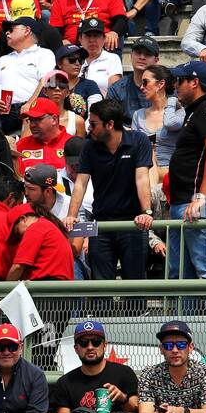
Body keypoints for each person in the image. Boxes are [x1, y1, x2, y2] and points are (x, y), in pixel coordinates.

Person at [63, 99, 155, 284]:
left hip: (133, 223)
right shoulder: (89, 146)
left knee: (135, 282)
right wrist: (71, 215)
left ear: (110, 124)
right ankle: (101, 314)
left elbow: (142, 178)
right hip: (102, 224)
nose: (89, 128)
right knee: (101, 284)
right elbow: (81, 183)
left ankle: (138, 314)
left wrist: (146, 212)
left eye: (93, 124)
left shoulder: (138, 141)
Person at [165, 61, 206, 314]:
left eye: (179, 81)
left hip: (198, 204)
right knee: (182, 276)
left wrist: (202, 196)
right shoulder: (194, 110)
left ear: (194, 82)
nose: (175, 86)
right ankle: (185, 335)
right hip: (183, 204)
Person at [137, 320, 206, 413]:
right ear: (161, 349)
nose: (174, 350)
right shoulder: (149, 374)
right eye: (168, 345)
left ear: (190, 347)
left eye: (181, 345)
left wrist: (184, 412)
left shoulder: (205, 371)